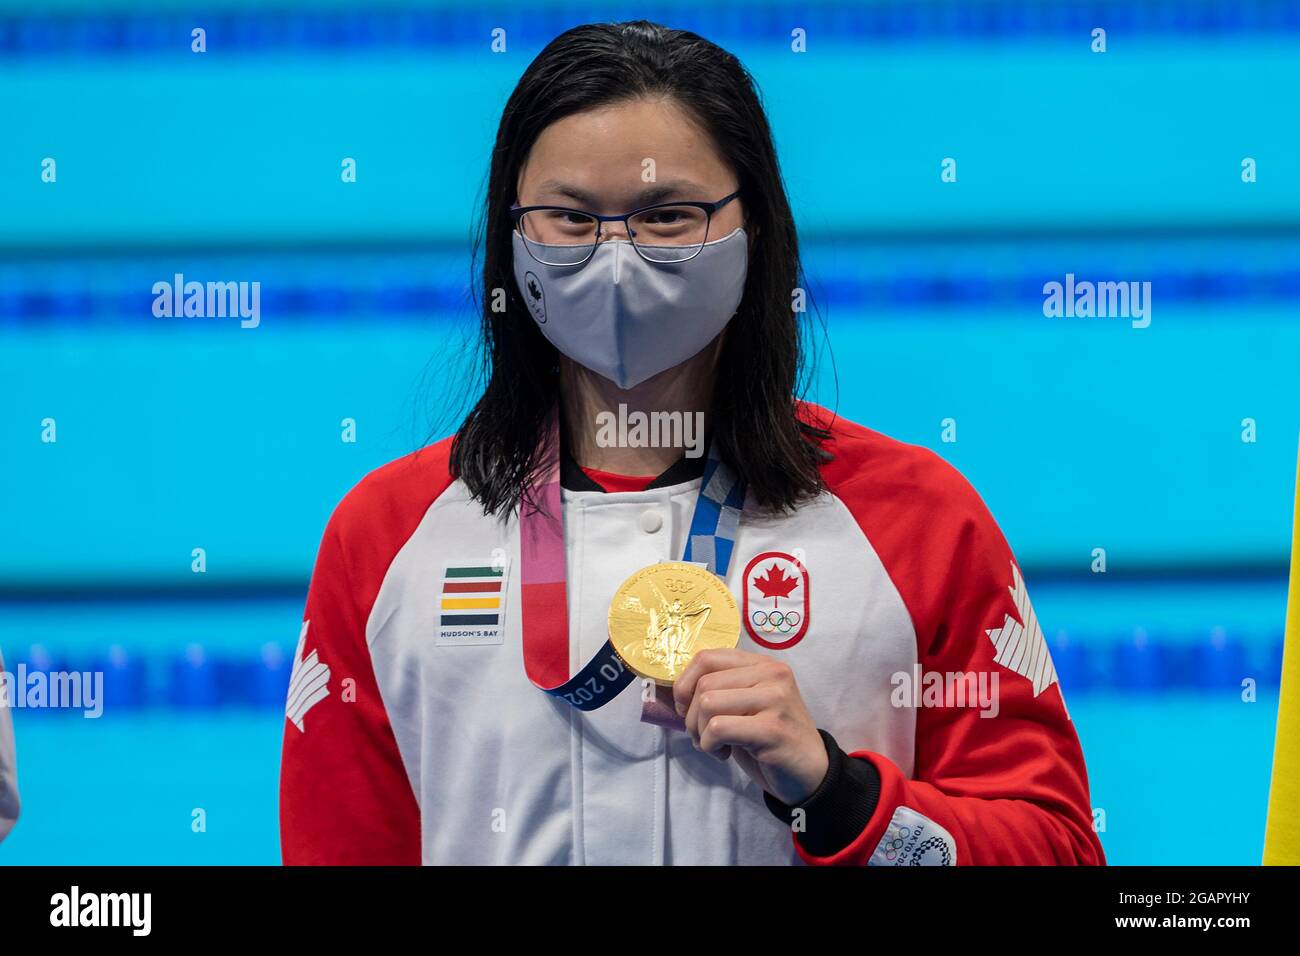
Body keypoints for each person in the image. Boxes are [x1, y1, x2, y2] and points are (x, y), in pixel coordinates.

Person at [279, 19, 1104, 866]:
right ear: (511, 236)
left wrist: (837, 794)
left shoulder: (916, 518)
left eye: (667, 215)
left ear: (755, 230)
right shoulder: (387, 536)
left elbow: (1060, 851)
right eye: (570, 218)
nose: (615, 260)